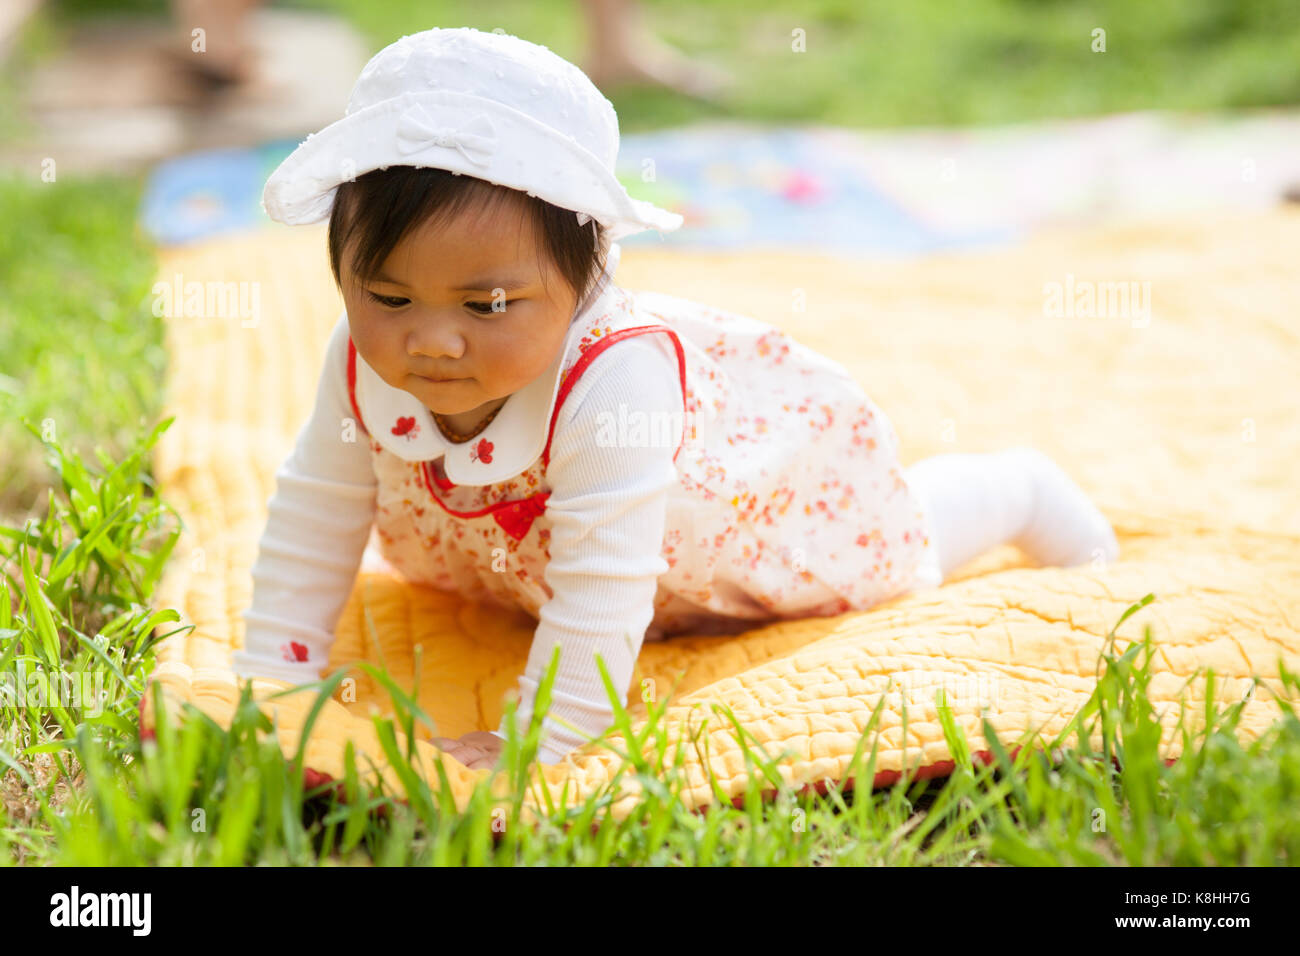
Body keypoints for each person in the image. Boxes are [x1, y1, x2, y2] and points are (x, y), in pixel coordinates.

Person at [235, 28, 1118, 770]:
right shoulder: (360, 356)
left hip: (731, 534)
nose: (432, 340)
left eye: (488, 305)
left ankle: (1020, 488)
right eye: (389, 297)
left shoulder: (614, 382)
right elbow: (318, 508)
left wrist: (540, 743)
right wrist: (274, 675)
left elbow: (605, 587)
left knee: (896, 551)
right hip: (539, 569)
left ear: (584, 278)